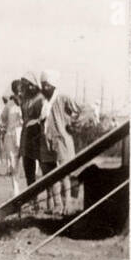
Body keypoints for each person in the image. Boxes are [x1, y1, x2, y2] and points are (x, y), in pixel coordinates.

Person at [39, 69, 82, 213]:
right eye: (43, 84)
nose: (44, 88)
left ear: (53, 85)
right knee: (52, 176)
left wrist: (75, 124)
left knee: (64, 174)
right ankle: (57, 205)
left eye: (47, 85)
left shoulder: (63, 98)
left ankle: (68, 204)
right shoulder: (44, 103)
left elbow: (83, 110)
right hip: (48, 142)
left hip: (62, 141)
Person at [19, 72, 45, 198]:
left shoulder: (41, 98)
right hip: (26, 134)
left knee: (44, 166)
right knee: (28, 167)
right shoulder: (24, 99)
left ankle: (50, 200)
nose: (28, 88)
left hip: (37, 134)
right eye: (25, 85)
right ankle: (32, 198)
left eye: (30, 85)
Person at [0, 80, 24, 199]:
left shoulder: (26, 101)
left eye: (19, 88)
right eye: (15, 89)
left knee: (29, 163)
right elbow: (3, 118)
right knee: (14, 163)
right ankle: (16, 191)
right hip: (11, 135)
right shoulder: (9, 104)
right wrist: (4, 128)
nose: (17, 91)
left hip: (23, 134)